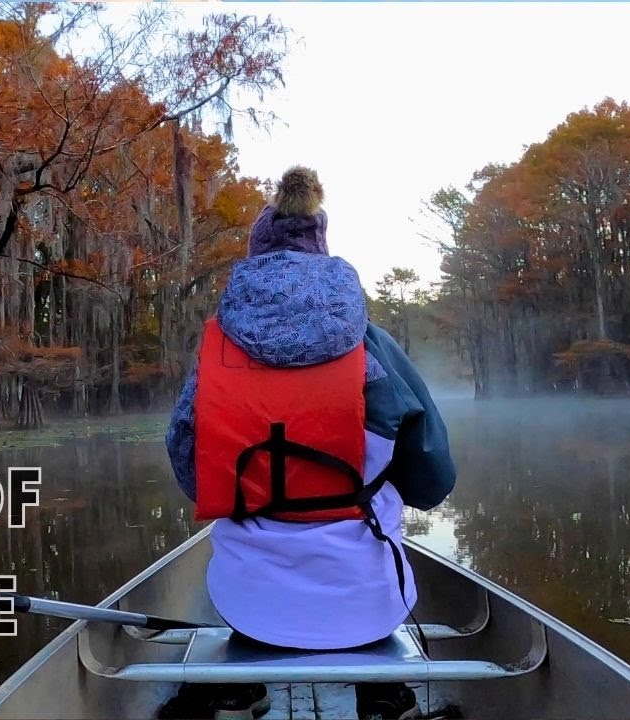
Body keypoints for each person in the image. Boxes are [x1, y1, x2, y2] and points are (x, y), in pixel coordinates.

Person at [162, 167, 457, 720]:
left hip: (246, 601)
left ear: (256, 256)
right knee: (374, 560)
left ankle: (238, 690)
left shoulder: (216, 356)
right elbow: (434, 482)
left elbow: (190, 472)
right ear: (322, 250)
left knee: (249, 585)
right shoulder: (374, 349)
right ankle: (386, 697)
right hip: (369, 602)